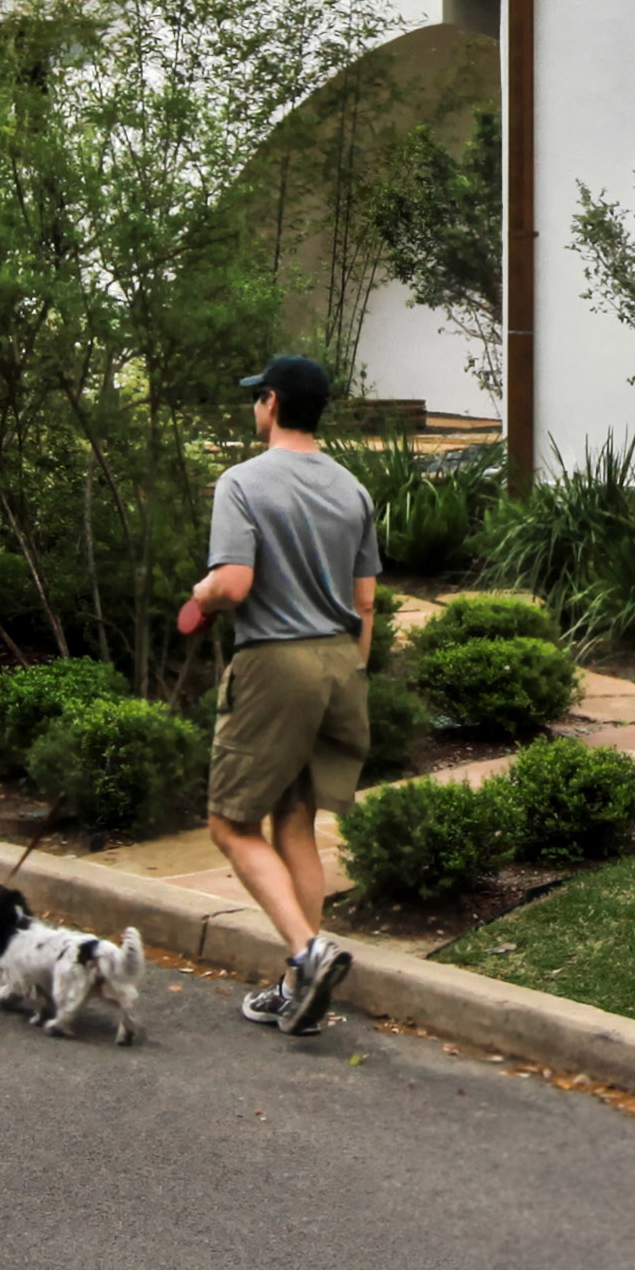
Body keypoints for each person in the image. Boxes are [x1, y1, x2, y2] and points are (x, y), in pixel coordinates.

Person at [182, 353, 379, 1036]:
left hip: (276, 662)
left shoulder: (242, 483)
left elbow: (233, 584)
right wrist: (348, 674)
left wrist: (200, 596)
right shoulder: (353, 490)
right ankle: (299, 989)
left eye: (254, 399)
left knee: (231, 824)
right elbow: (366, 602)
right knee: (295, 823)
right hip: (337, 665)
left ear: (270, 402)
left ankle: (309, 951)